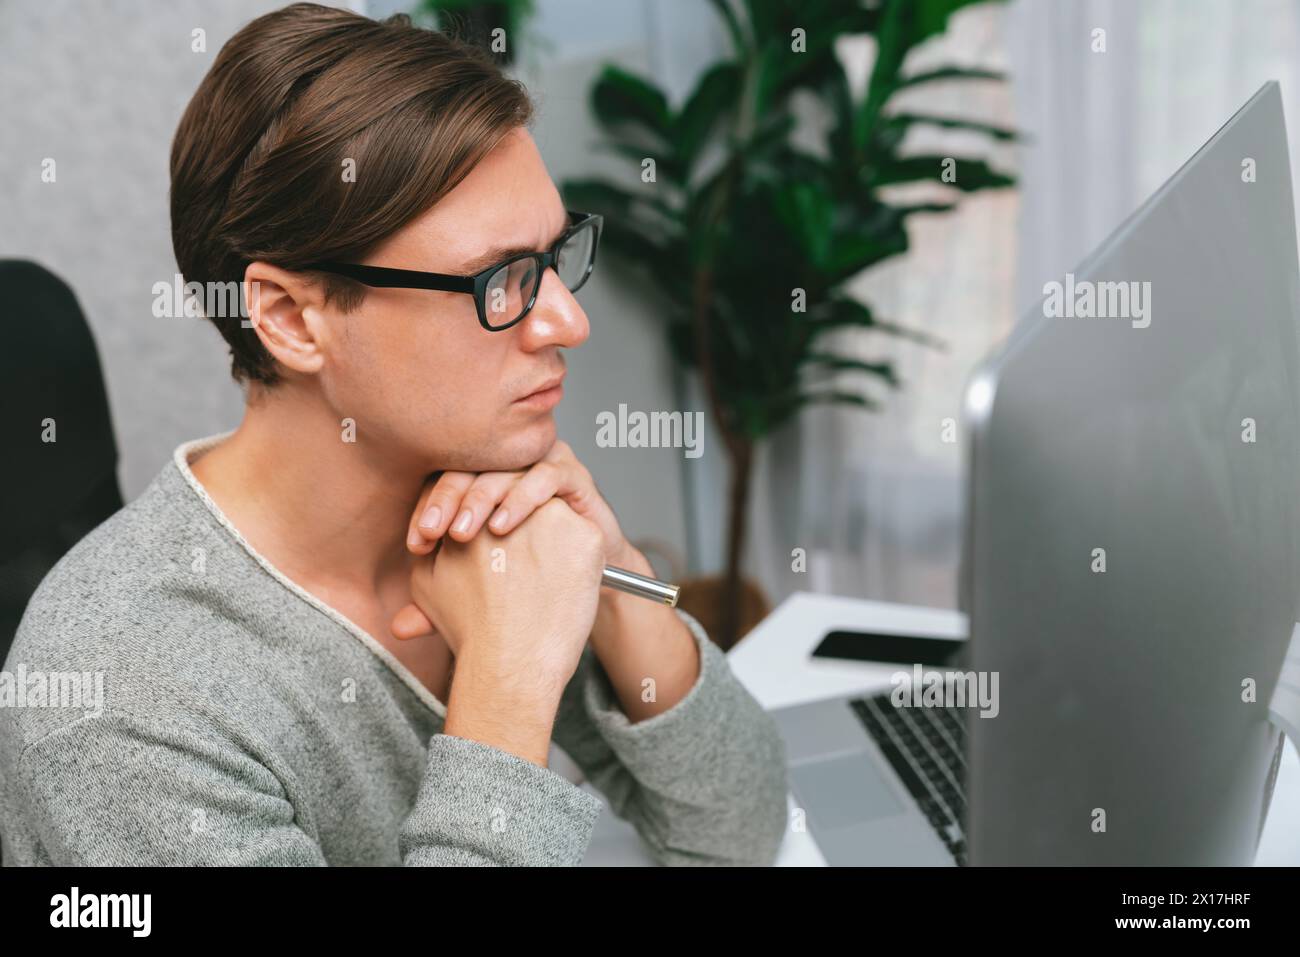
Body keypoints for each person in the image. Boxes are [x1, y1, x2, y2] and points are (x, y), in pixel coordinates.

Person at [0, 2, 788, 866]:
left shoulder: (475, 503)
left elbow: (741, 831)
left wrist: (614, 579)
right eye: (500, 280)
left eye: (555, 260)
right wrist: (507, 683)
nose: (566, 321)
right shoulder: (122, 703)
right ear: (294, 319)